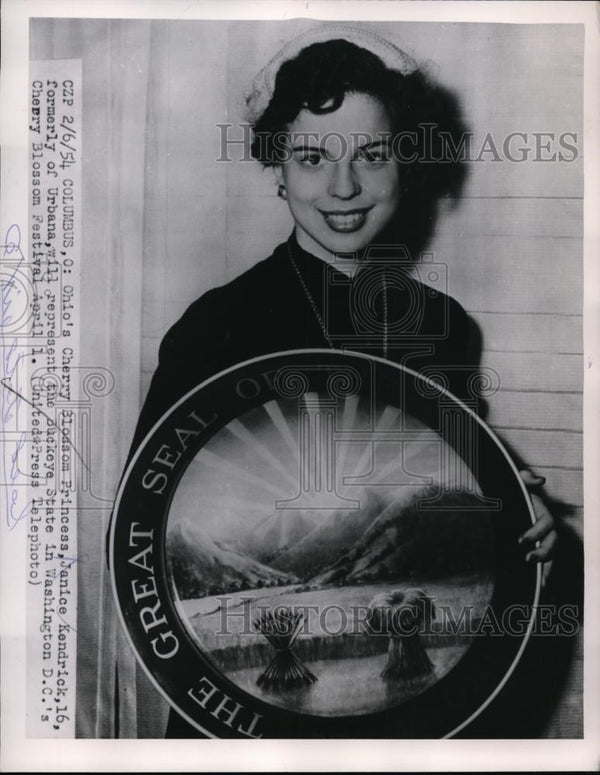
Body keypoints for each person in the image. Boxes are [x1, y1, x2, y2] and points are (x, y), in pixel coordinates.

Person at [126, 24, 560, 736]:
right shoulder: (216, 326)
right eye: (311, 156)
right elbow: (142, 532)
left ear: (407, 162)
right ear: (276, 167)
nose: (344, 186)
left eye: (371, 153)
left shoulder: (446, 327)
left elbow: (458, 484)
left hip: (412, 717)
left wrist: (517, 516)